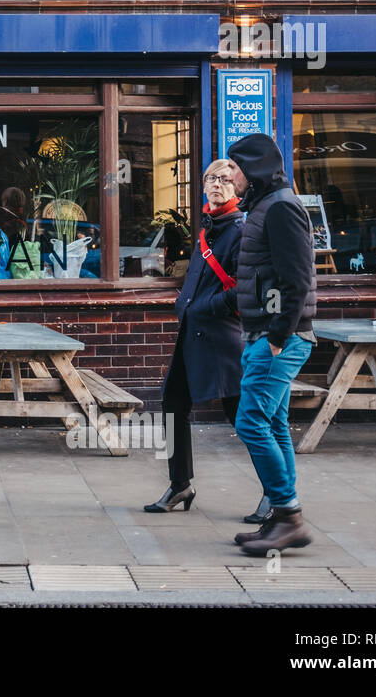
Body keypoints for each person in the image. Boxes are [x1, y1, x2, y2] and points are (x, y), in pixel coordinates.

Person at [228, 133, 318, 555]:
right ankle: (283, 520)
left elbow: (296, 280)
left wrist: (279, 336)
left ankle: (289, 515)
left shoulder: (281, 207)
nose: (231, 177)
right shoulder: (268, 205)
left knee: (250, 423)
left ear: (255, 169)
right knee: (275, 424)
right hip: (266, 334)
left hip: (278, 337)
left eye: (236, 168)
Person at [144, 159, 250, 515]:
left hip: (223, 340)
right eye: (211, 178)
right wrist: (185, 305)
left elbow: (246, 290)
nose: (216, 184)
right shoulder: (210, 226)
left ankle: (277, 494)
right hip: (193, 335)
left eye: (224, 179)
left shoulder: (241, 229)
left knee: (244, 419)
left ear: (237, 186)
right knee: (172, 402)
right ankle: (180, 486)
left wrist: (205, 305)